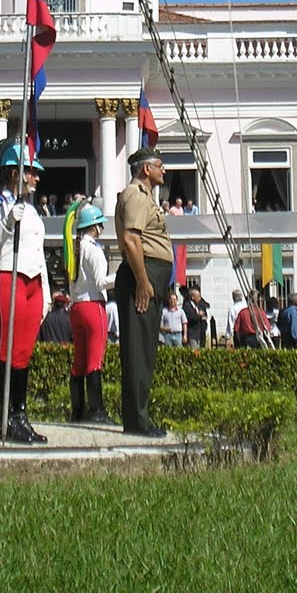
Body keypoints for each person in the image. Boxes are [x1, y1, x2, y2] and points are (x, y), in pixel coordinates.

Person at [0, 142, 51, 444]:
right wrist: (8, 223)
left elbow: (39, 252)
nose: (36, 178)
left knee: (24, 352)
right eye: (31, 172)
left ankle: (21, 415)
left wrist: (45, 291)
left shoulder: (32, 211)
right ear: (15, 173)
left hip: (33, 281)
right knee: (7, 350)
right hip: (8, 276)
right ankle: (6, 419)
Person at [115, 148, 173, 438]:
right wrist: (142, 281)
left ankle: (139, 415)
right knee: (139, 350)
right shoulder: (136, 195)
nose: (164, 170)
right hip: (143, 271)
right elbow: (131, 238)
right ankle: (138, 420)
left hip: (149, 271)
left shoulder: (145, 196)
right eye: (160, 165)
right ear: (146, 169)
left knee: (146, 348)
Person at [68, 203, 111, 423]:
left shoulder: (74, 248)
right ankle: (97, 411)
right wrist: (122, 276)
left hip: (76, 306)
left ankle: (77, 411)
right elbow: (101, 282)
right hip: (93, 306)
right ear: (96, 226)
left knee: (79, 361)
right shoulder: (93, 249)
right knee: (95, 360)